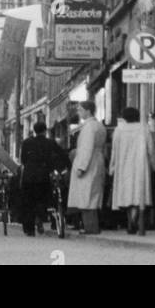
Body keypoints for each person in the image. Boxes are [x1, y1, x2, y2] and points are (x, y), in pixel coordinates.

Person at [109, 105, 155, 234]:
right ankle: (134, 220)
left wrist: (112, 167)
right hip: (140, 165)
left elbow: (114, 150)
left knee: (127, 194)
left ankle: (131, 220)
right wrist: (153, 164)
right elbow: (151, 149)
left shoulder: (118, 130)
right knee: (138, 193)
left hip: (123, 165)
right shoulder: (144, 129)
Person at [19, 119, 70, 236]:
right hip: (43, 175)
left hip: (29, 175)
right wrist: (66, 166)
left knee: (28, 201)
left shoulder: (26, 142)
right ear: (45, 130)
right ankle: (40, 218)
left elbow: (23, 160)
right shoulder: (50, 143)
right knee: (43, 199)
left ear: (34, 131)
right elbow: (62, 154)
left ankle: (29, 229)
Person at [67, 100, 107, 234]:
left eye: (80, 110)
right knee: (93, 195)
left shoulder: (89, 128)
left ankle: (90, 227)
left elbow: (86, 148)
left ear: (88, 111)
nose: (79, 112)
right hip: (97, 161)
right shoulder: (99, 126)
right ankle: (92, 226)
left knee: (86, 197)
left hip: (88, 164)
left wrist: (81, 167)